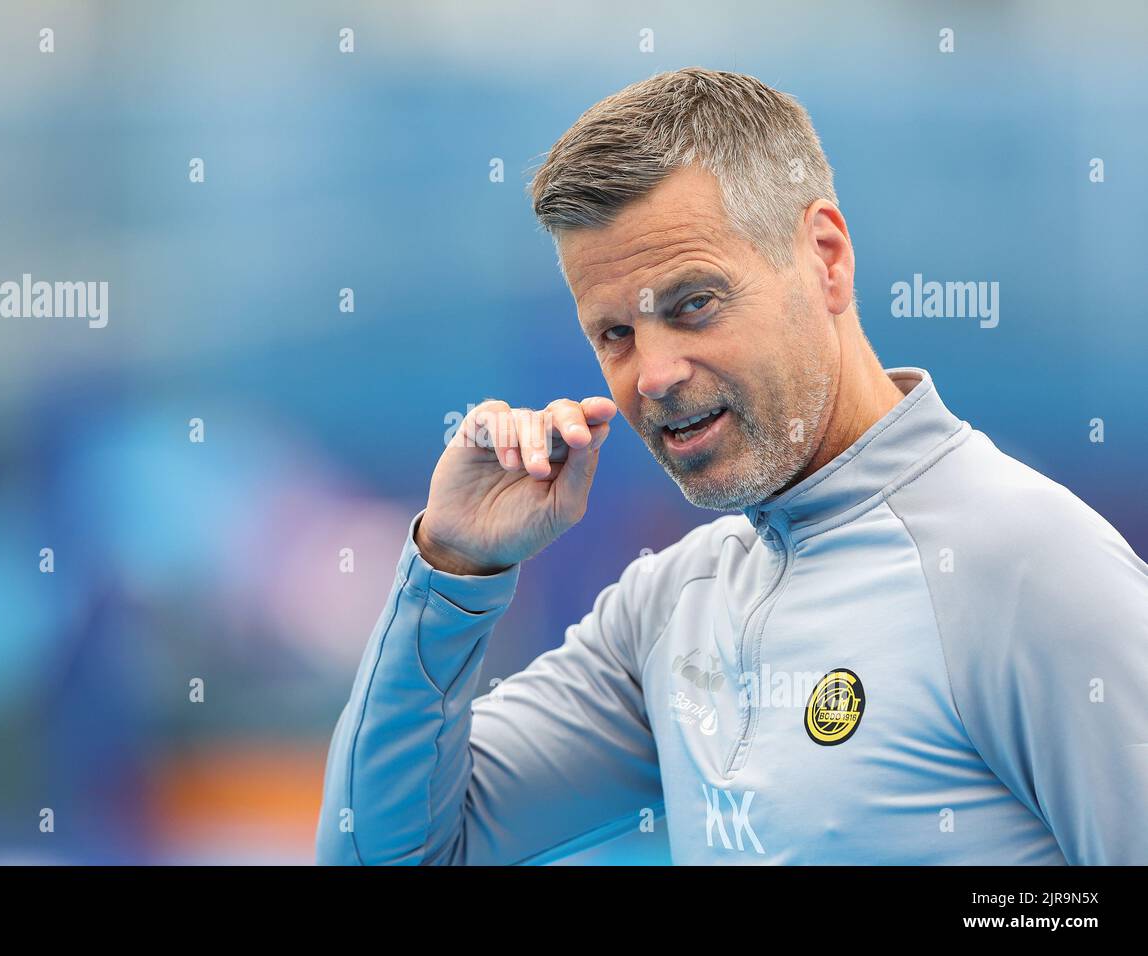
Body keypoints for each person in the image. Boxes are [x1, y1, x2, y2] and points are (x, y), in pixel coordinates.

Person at [314, 68, 1148, 865]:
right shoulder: (670, 609)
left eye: (694, 305)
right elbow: (379, 853)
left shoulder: (1026, 565)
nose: (654, 373)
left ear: (825, 258)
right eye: (616, 335)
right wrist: (452, 567)